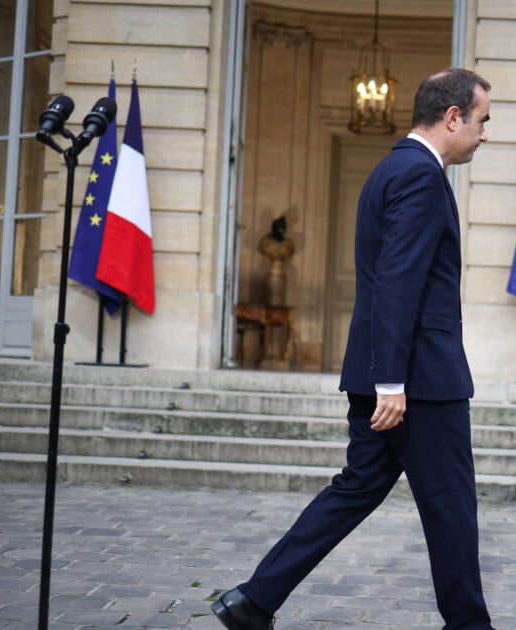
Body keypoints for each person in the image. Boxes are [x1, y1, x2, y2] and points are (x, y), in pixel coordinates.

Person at [210, 67, 494, 630]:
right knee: (452, 509)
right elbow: (397, 281)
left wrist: (380, 376)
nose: (486, 134)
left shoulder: (391, 169)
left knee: (357, 487)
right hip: (416, 382)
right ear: (453, 116)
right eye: (483, 121)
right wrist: (392, 381)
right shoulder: (418, 175)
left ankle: (253, 600)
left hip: (386, 375)